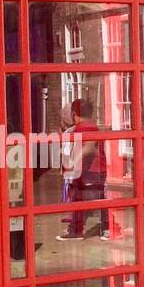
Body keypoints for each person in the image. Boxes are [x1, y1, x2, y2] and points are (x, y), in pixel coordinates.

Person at [58, 97, 110, 241]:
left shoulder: (84, 127)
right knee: (98, 199)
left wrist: (74, 162)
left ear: (75, 114)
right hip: (97, 169)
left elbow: (89, 147)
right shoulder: (91, 125)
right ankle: (105, 228)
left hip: (89, 170)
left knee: (82, 198)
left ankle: (78, 230)